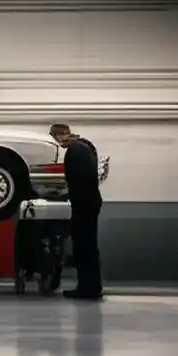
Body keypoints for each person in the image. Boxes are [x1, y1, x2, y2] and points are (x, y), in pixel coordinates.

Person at [53, 124, 104, 300]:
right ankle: (92, 286)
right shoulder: (85, 145)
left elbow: (77, 179)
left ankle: (86, 288)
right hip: (90, 201)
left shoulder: (75, 150)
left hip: (83, 204)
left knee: (83, 246)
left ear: (61, 136)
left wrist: (62, 193)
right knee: (89, 246)